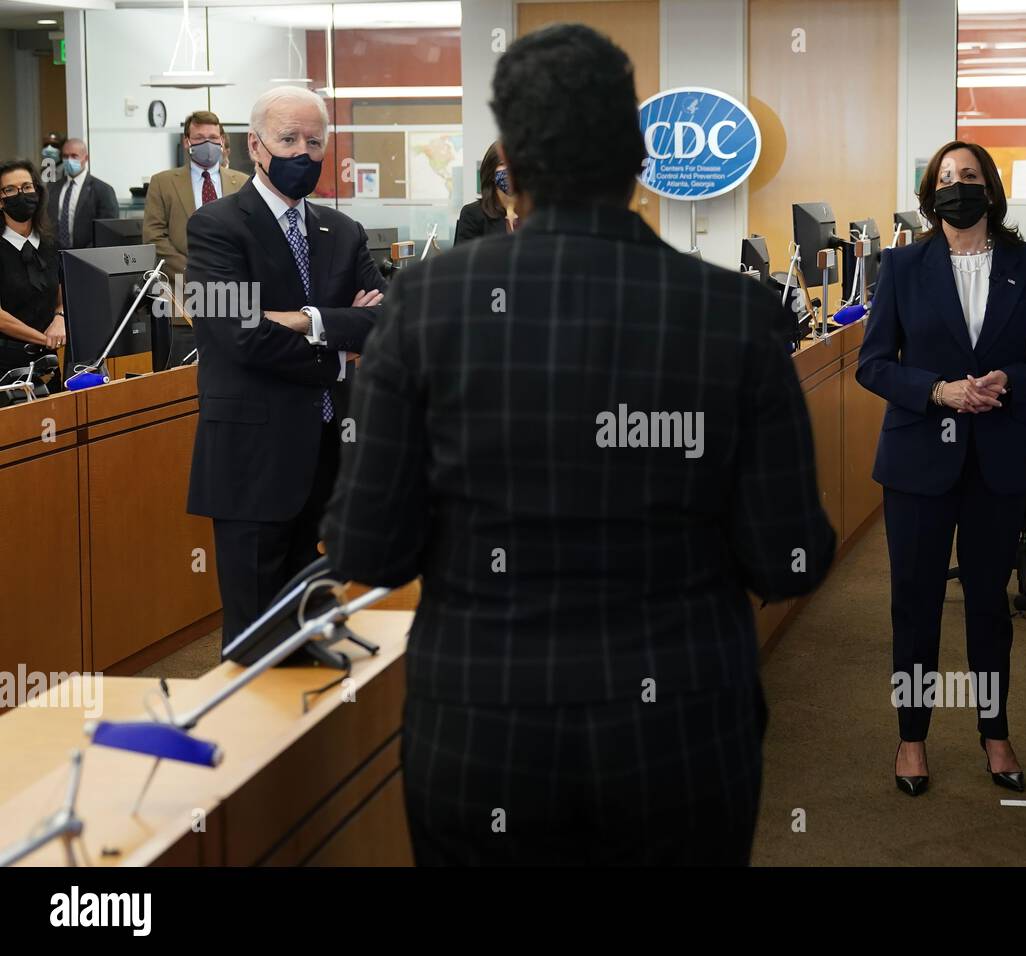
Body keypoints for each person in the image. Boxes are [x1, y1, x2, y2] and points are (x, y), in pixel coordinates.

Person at [322, 23, 835, 866]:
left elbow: (368, 546)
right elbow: (791, 560)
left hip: (484, 735)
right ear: (640, 162)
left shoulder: (423, 307)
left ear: (510, 170)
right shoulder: (734, 315)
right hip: (681, 736)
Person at [856, 140, 1026, 798]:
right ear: (930, 194)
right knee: (914, 605)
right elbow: (873, 362)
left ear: (990, 189)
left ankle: (994, 732)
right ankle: (911, 738)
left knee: (988, 607)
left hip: (995, 460)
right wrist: (937, 391)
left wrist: (1009, 380)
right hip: (917, 461)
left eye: (969, 176)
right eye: (946, 179)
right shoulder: (903, 266)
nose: (958, 186)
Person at [185, 87, 386, 648]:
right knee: (255, 634)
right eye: (289, 139)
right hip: (252, 464)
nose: (304, 152)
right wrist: (337, 343)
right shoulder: (217, 227)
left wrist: (303, 320)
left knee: (316, 626)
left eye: (315, 142)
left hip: (330, 456)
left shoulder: (340, 230)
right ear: (255, 146)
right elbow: (238, 336)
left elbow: (387, 318)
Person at [143, 111, 249, 281]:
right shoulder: (162, 183)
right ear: (187, 142)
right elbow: (153, 237)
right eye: (199, 138)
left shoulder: (244, 183)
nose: (208, 143)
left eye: (213, 137)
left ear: (222, 141)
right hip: (182, 284)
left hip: (234, 282)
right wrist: (190, 271)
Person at [0, 159, 65, 383]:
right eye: (10, 189)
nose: (21, 194)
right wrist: (44, 340)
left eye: (27, 187)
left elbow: (61, 293)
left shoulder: (49, 242)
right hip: (7, 364)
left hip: (49, 360)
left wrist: (60, 318)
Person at [47, 139, 119, 251]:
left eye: (74, 156)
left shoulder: (103, 190)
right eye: (65, 156)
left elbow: (108, 232)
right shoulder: (51, 188)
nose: (69, 160)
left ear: (86, 158)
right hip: (55, 257)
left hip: (89, 256)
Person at [452, 142, 516, 243]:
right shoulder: (472, 214)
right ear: (491, 171)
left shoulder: (534, 213)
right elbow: (463, 257)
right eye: (502, 164)